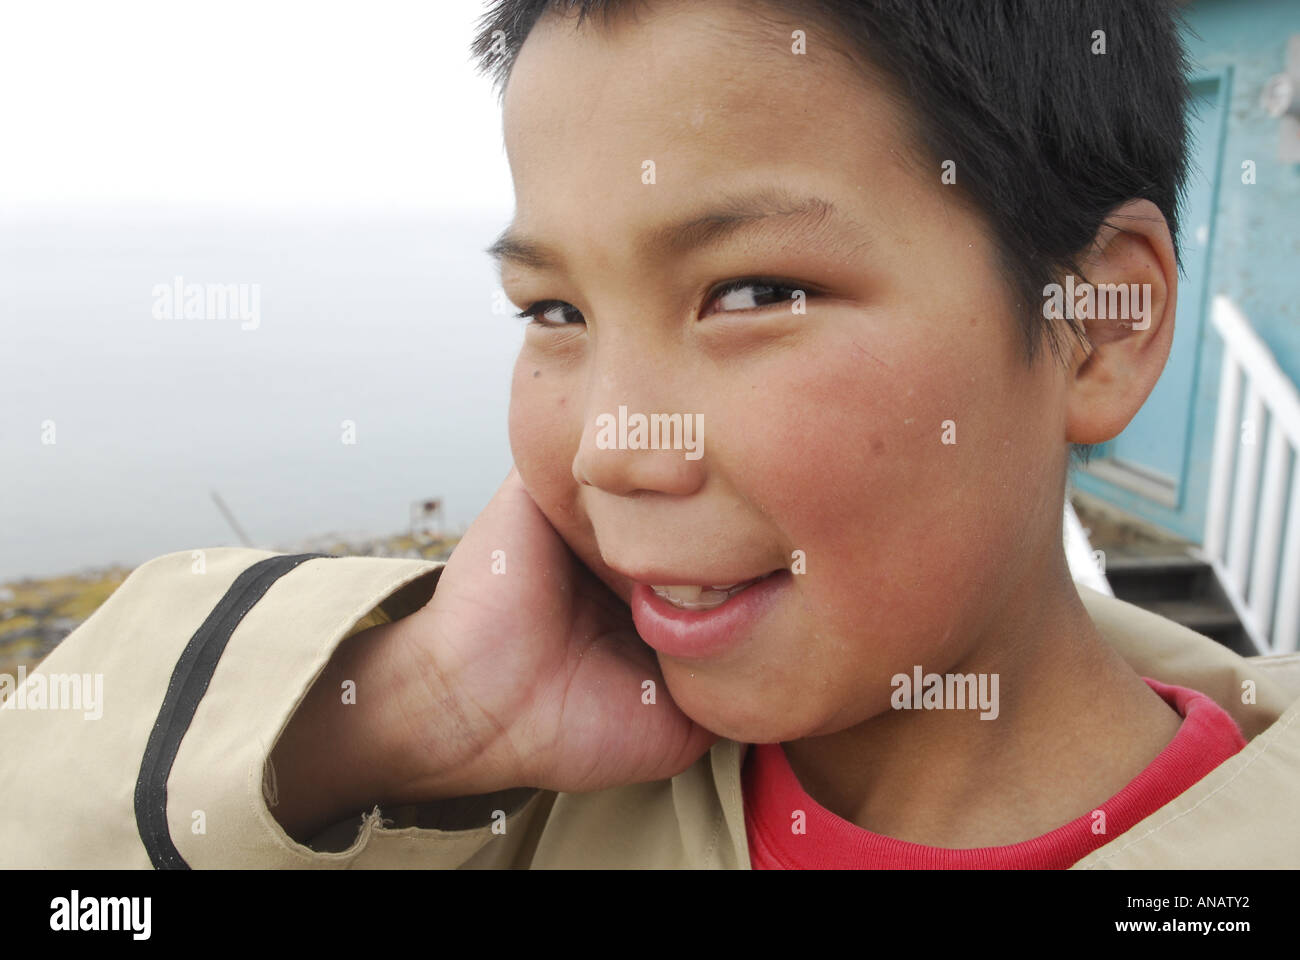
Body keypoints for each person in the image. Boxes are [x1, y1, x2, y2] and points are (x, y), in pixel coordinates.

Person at [3, 0, 1299, 869]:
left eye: (753, 293)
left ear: (1097, 323)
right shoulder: (473, 809)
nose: (612, 448)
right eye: (554, 308)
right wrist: (409, 713)